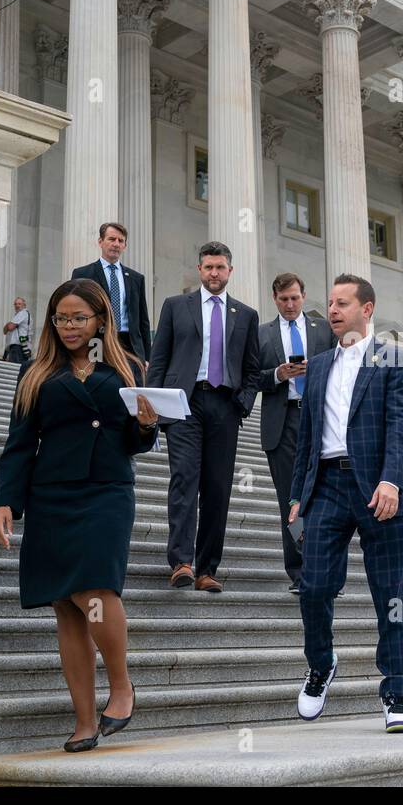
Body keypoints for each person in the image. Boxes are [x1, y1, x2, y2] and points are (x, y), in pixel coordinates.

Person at [0, 278, 158, 752]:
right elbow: (19, 444)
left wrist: (146, 426)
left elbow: (136, 441)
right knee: (66, 609)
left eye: (78, 318)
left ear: (100, 321)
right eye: (60, 318)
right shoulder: (35, 373)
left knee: (95, 589)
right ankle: (84, 721)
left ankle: (121, 686)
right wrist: (6, 501)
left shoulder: (127, 370)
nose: (68, 327)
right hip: (52, 496)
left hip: (106, 492)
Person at [287, 274, 403, 732]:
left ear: (367, 308)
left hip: (376, 489)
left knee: (391, 595)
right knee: (315, 586)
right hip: (325, 486)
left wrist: (391, 480)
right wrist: (296, 497)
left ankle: (397, 692)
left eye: (343, 303)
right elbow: (306, 437)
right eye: (331, 303)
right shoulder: (318, 365)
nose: (334, 310)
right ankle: (321, 664)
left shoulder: (393, 358)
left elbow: (402, 425)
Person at [147, 241, 260, 593]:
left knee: (217, 489)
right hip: (184, 404)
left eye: (220, 267)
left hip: (224, 407)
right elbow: (160, 358)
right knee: (184, 479)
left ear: (230, 271)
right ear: (200, 270)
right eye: (209, 267)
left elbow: (253, 369)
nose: (214, 273)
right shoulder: (175, 306)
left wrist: (242, 403)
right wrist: (154, 403)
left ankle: (207, 568)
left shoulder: (246, 315)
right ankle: (181, 561)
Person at [257, 273, 336, 593]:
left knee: (326, 498)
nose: (289, 305)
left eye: (295, 298)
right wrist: (278, 374)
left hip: (320, 419)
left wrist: (313, 371)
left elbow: (340, 370)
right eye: (283, 299)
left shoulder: (324, 329)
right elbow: (250, 378)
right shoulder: (261, 334)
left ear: (304, 297)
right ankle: (300, 572)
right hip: (283, 421)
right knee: (289, 500)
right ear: (274, 299)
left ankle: (327, 570)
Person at [71, 222, 152, 364]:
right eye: (111, 239)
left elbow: (143, 320)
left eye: (120, 241)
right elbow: (74, 312)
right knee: (97, 383)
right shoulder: (83, 274)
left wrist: (147, 357)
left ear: (124, 246)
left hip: (129, 344)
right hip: (96, 341)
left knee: (130, 384)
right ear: (100, 242)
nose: (116, 244)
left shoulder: (136, 278)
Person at [1, 297, 31, 363]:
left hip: (18, 347)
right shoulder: (19, 315)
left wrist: (8, 324)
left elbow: (10, 327)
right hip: (18, 347)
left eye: (19, 304)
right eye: (15, 304)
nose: (17, 306)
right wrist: (9, 325)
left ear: (24, 305)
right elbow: (4, 331)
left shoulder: (23, 313)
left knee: (15, 369)